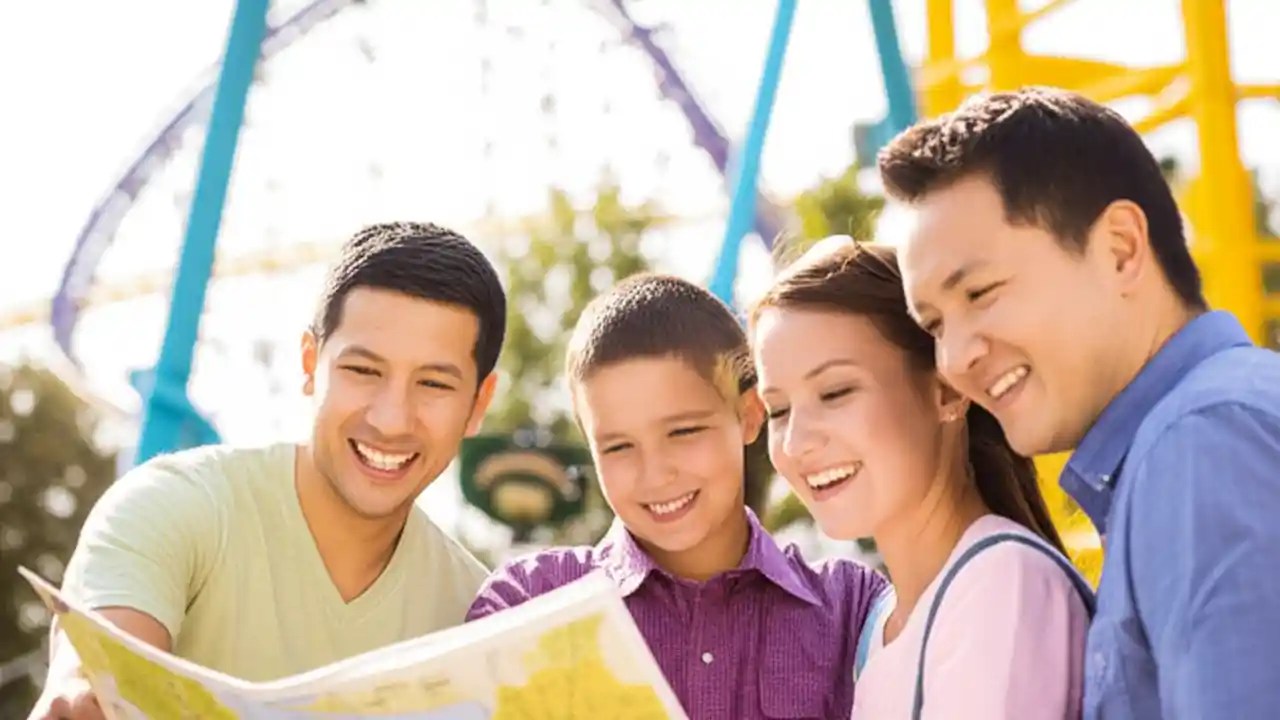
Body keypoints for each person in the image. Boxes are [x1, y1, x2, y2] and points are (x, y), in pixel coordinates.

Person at [882, 85, 1280, 718]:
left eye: (980, 293)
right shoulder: (1195, 439)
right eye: (933, 325)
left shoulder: (1202, 446)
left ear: (1120, 249)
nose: (956, 359)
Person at [30, 222, 503, 719]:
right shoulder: (173, 507)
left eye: (433, 384)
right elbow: (99, 678)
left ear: (478, 404)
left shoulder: (480, 618)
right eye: (363, 371)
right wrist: (89, 694)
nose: (390, 419)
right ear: (309, 364)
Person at [467, 273, 886, 719]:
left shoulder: (849, 607)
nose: (656, 474)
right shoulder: (527, 604)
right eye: (618, 446)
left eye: (684, 432)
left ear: (748, 415)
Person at [751, 238, 1091, 719]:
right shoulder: (883, 627)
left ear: (947, 392)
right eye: (779, 410)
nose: (795, 442)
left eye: (835, 392)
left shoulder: (1001, 584)